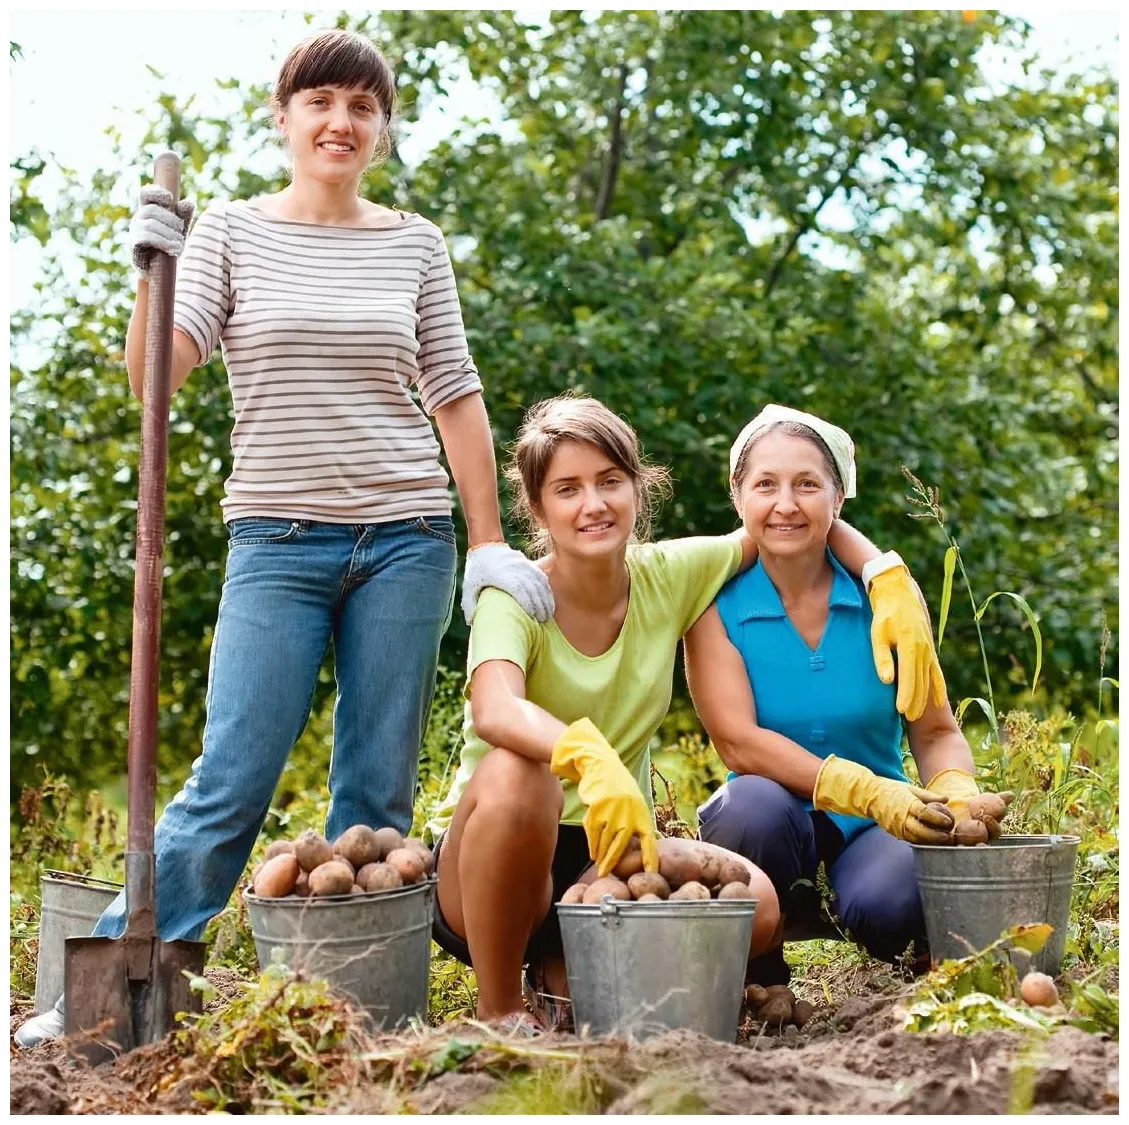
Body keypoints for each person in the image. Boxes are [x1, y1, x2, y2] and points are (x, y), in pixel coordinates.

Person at [16, 28, 553, 1048]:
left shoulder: (414, 243)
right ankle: (102, 991)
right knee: (232, 775)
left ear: (381, 128)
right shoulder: (228, 232)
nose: (341, 122)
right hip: (275, 540)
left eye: (362, 107)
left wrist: (486, 542)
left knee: (375, 796)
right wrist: (153, 268)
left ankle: (348, 1005)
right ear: (284, 118)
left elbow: (454, 391)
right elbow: (152, 379)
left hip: (406, 537)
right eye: (321, 102)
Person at [424, 395, 949, 1034]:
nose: (593, 505)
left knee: (754, 905)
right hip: (490, 851)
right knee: (521, 775)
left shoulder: (667, 576)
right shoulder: (515, 597)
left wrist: (885, 572)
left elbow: (784, 523)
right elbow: (495, 707)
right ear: (537, 508)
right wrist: (587, 757)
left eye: (610, 481)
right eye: (567, 489)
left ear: (637, 489)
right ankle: (500, 1007)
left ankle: (561, 966)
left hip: (607, 850)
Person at [685, 404, 1011, 985]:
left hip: (876, 827)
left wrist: (956, 789)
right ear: (738, 497)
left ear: (838, 499)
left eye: (807, 485)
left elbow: (935, 731)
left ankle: (906, 953)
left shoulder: (887, 603)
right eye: (766, 485)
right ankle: (760, 975)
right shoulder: (714, 606)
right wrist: (861, 788)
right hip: (771, 826)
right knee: (748, 808)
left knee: (898, 899)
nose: (786, 504)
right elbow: (738, 744)